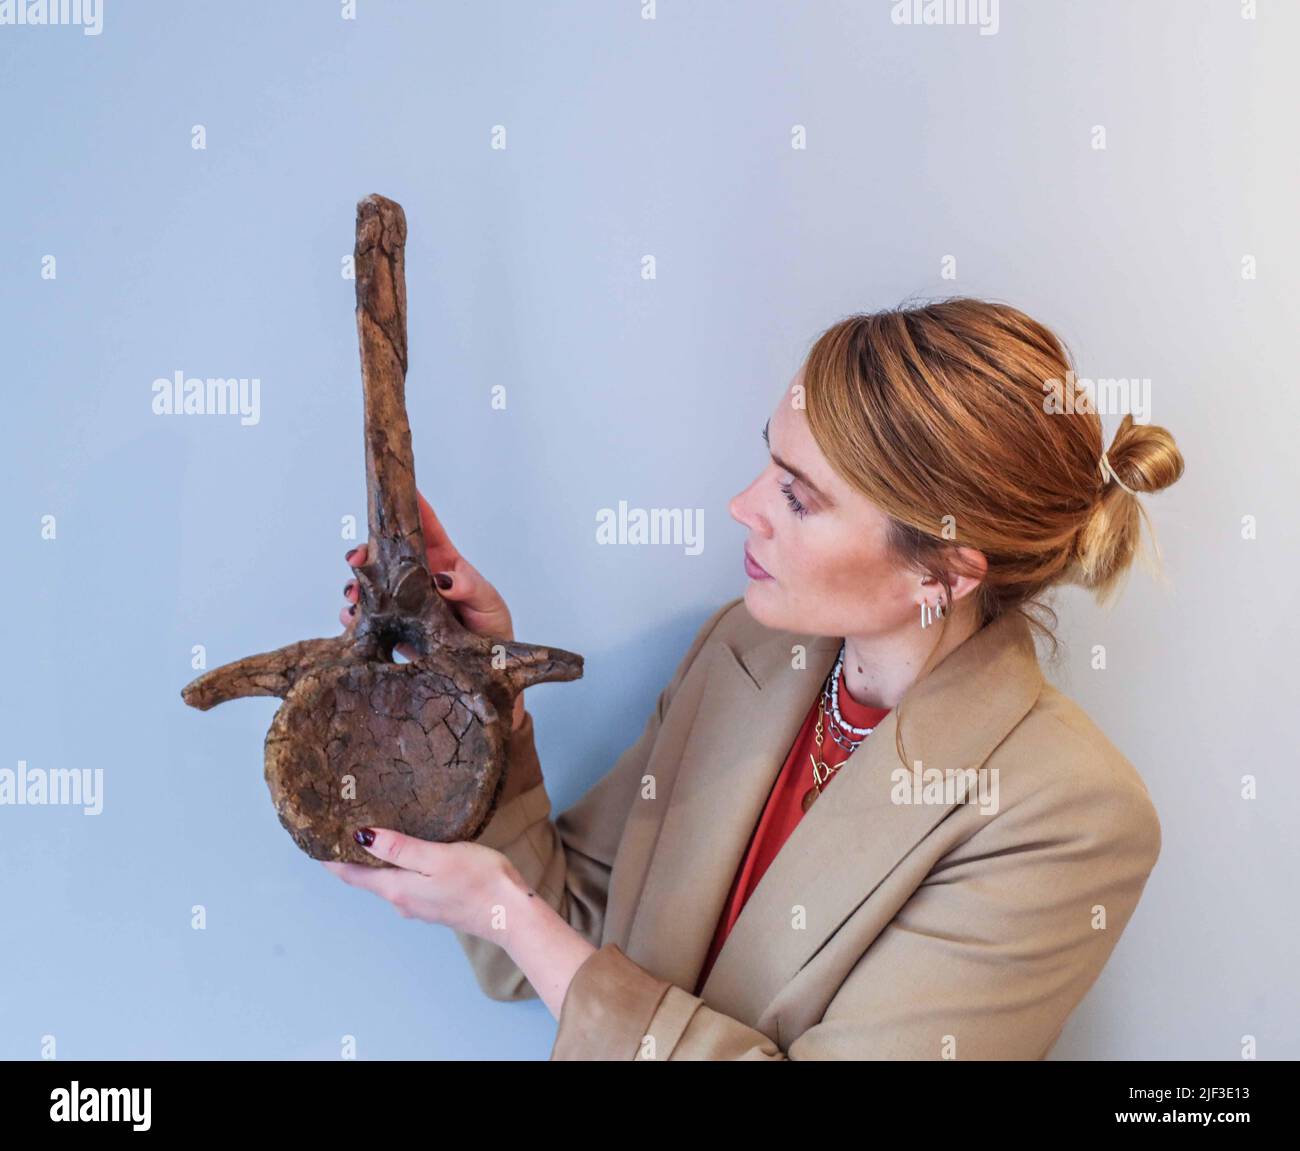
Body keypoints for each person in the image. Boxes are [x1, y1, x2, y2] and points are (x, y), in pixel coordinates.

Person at [322, 297, 1185, 1060]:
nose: (744, 505)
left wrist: (517, 920)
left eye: (798, 495)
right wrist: (483, 696)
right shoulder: (746, 652)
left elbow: (547, 942)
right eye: (769, 462)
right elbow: (579, 931)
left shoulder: (1068, 814)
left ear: (944, 574)